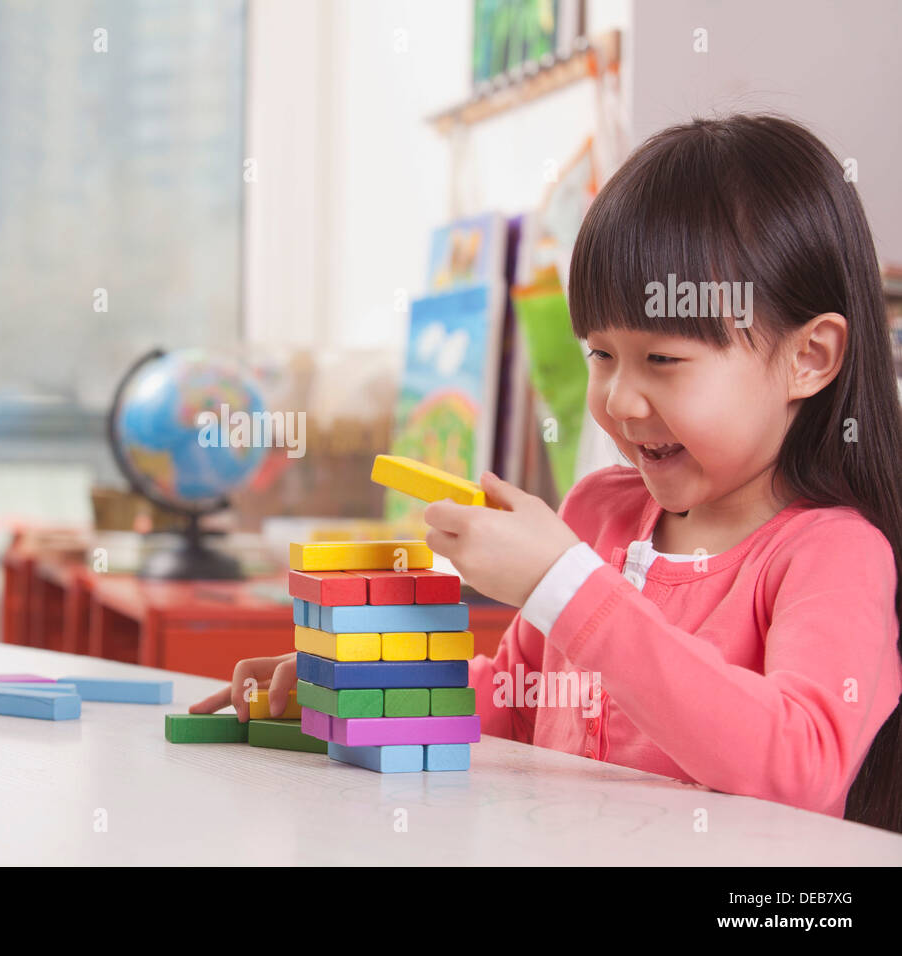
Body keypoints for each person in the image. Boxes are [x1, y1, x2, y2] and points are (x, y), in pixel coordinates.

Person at [191, 114, 902, 833]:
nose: (620, 400)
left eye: (664, 360)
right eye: (601, 355)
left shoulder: (833, 554)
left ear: (808, 358)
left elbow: (800, 767)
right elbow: (512, 700)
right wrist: (360, 687)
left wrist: (565, 583)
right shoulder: (598, 515)